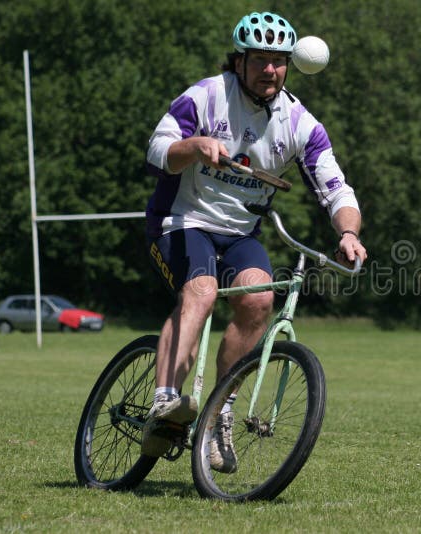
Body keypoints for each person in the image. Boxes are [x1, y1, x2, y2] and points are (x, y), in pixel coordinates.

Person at [141, 12, 368, 467]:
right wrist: (195, 146)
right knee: (201, 292)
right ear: (240, 61)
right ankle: (164, 399)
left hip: (240, 232)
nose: (270, 70)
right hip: (181, 221)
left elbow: (336, 187)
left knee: (260, 299)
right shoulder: (205, 96)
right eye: (260, 59)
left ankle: (216, 414)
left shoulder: (300, 123)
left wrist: (347, 231)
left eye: (278, 61)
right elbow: (156, 151)